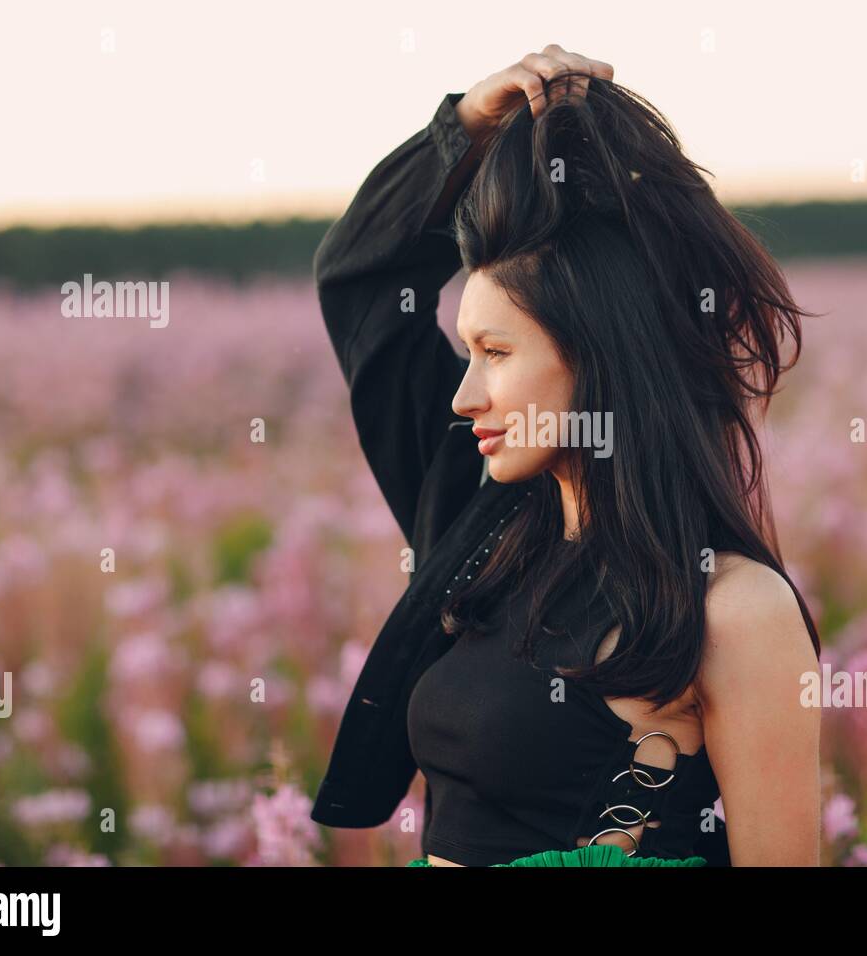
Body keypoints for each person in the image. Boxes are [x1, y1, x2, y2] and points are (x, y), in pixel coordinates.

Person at [311, 45, 823, 867]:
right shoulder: (476, 524)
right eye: (464, 352)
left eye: (497, 353)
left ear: (597, 357)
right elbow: (361, 283)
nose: (463, 395)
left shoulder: (734, 610)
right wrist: (462, 132)